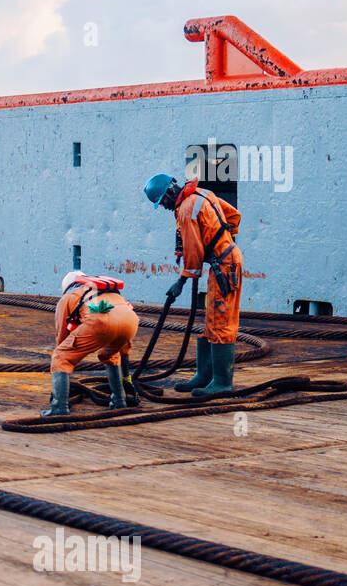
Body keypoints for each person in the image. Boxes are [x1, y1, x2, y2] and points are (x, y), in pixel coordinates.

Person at [144, 172, 242, 395]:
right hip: (224, 261)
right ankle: (205, 376)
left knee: (221, 320)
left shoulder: (187, 210)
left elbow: (194, 252)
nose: (166, 207)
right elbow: (234, 216)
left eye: (164, 202)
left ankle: (222, 382)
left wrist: (181, 282)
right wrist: (224, 241)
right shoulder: (202, 193)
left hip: (224, 266)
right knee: (211, 319)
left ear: (170, 192)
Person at [41, 271, 140, 417]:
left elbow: (62, 336)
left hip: (100, 321)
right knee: (110, 354)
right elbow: (124, 349)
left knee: (60, 357)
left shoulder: (69, 297)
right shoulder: (109, 292)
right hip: (132, 321)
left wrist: (63, 370)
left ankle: (59, 407)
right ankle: (119, 401)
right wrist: (126, 377)